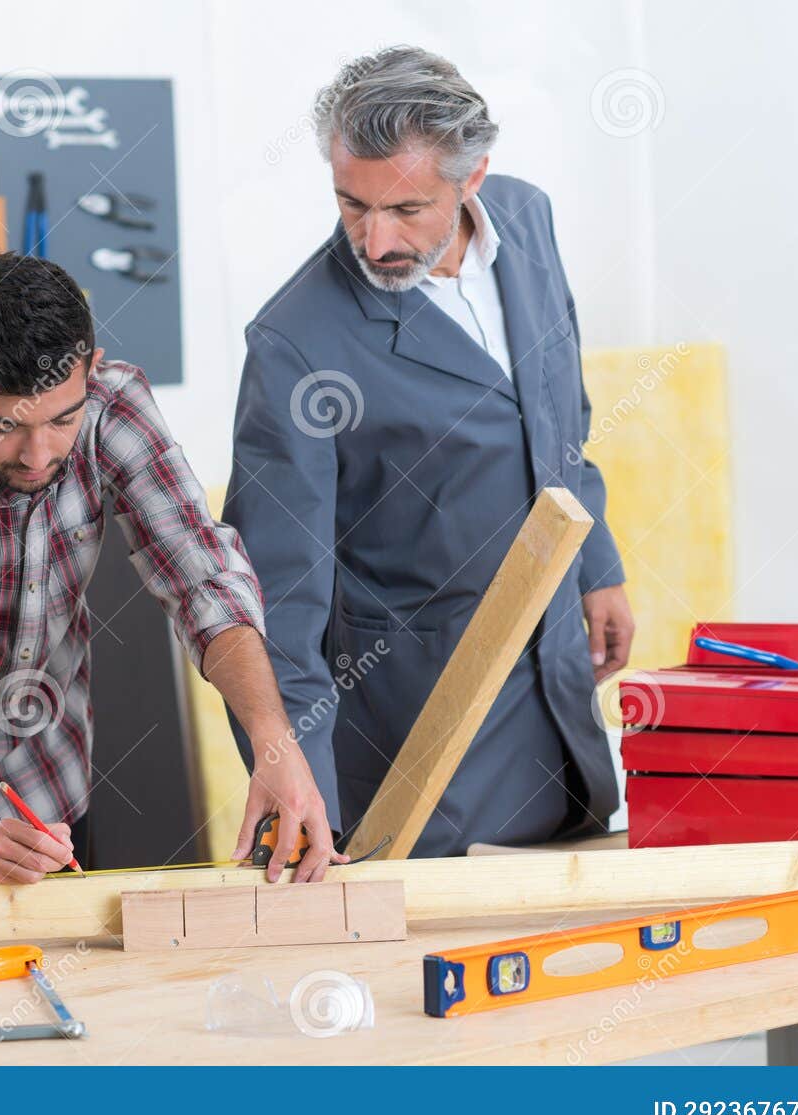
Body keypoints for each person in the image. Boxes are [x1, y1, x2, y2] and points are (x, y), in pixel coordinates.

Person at [0, 252, 342, 886]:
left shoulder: (114, 405)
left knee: (56, 984)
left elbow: (202, 580)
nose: (38, 454)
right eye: (3, 426)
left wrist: (274, 745)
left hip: (44, 778)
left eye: (63, 419)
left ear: (91, 370)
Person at [224, 46, 634, 856]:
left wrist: (599, 567)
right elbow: (278, 598)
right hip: (421, 746)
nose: (375, 242)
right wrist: (292, 774)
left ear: (473, 177)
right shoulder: (296, 343)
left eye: (406, 209)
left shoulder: (527, 220)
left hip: (559, 701)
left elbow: (561, 418)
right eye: (351, 206)